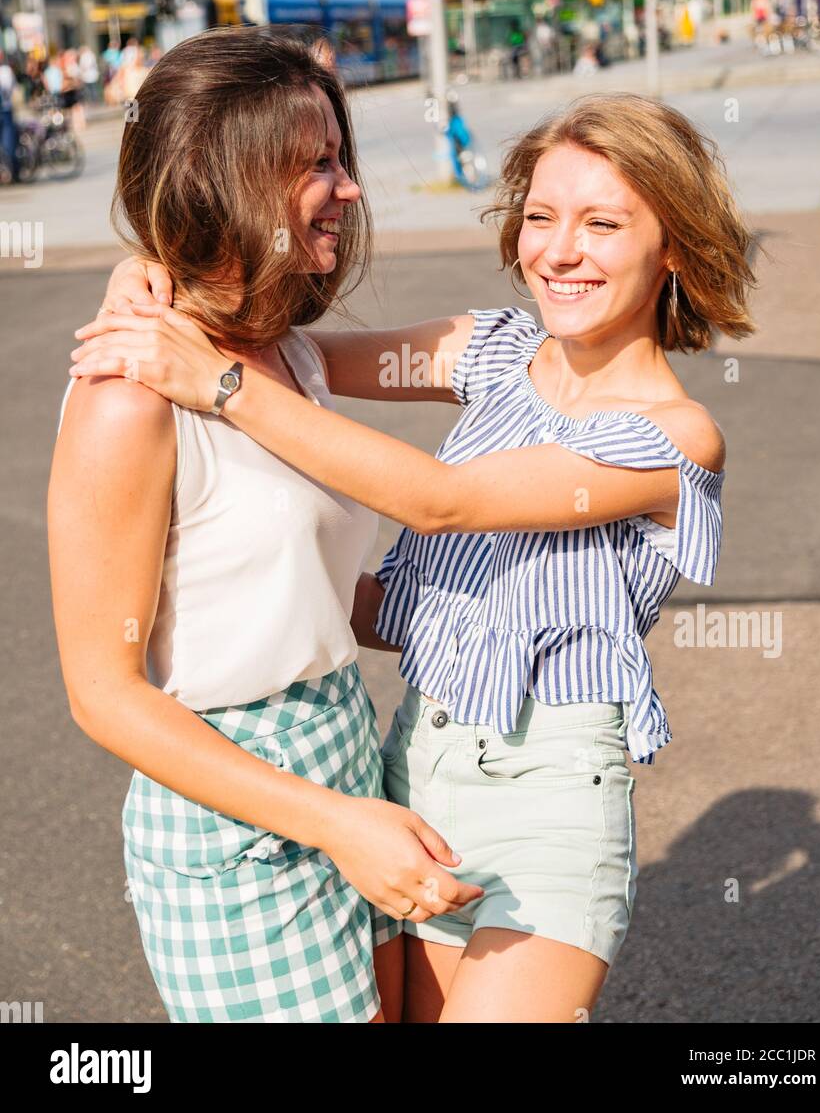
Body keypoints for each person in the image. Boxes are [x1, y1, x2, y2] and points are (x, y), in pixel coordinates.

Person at [71, 90, 757, 1022]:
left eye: (603, 223)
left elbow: (442, 502)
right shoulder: (493, 350)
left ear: (671, 244)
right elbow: (289, 353)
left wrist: (218, 382)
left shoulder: (675, 438)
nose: (560, 250)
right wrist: (150, 277)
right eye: (542, 217)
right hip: (412, 771)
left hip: (551, 799)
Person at [48, 27, 484, 1024]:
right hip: (235, 816)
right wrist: (332, 823)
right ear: (226, 180)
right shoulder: (129, 398)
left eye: (342, 158)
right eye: (316, 164)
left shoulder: (287, 356)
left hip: (343, 751)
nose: (350, 188)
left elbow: (470, 356)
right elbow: (102, 692)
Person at [0, 51, 20, 180]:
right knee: (9, 143)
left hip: (5, 111)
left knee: (9, 144)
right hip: (6, 111)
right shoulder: (6, 72)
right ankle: (13, 171)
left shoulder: (5, 71)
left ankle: (12, 172)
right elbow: (12, 89)